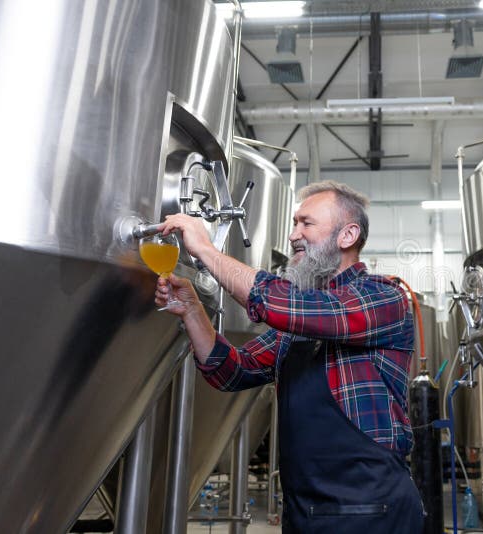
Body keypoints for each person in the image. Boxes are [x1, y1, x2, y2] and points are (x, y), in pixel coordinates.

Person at [155, 180, 424, 533]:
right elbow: (231, 370)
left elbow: (277, 302)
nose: (294, 234)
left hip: (372, 508)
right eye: (294, 223)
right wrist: (192, 311)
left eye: (306, 223)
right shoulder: (298, 322)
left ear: (347, 235)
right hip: (305, 512)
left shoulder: (383, 299)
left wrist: (205, 249)